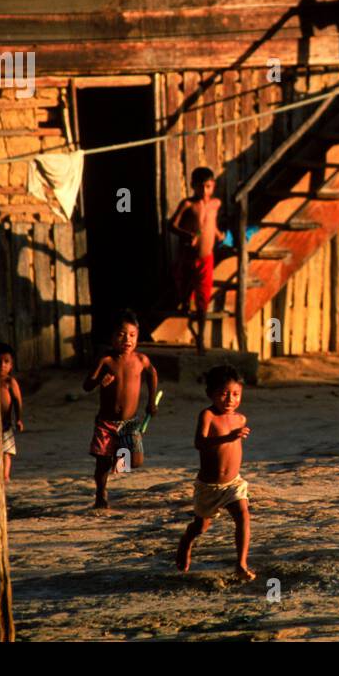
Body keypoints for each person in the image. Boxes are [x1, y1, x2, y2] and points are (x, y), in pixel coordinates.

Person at [176, 365, 255, 580]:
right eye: (223, 393)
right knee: (201, 526)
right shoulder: (208, 415)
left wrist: (232, 439)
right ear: (210, 393)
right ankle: (186, 541)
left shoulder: (240, 419)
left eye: (236, 394)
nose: (230, 399)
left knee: (243, 515)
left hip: (233, 484)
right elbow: (199, 443)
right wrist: (227, 438)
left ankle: (241, 564)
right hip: (209, 486)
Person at [84, 310, 159, 509]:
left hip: (129, 423)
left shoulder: (141, 360)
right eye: (121, 335)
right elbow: (87, 385)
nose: (127, 340)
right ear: (112, 337)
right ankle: (101, 493)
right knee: (102, 462)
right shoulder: (106, 360)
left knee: (134, 462)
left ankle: (118, 458)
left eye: (132, 335)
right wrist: (99, 381)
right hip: (106, 423)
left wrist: (151, 402)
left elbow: (152, 374)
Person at [170, 167, 225, 354]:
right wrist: (188, 235)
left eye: (208, 186)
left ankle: (200, 338)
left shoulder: (215, 204)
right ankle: (185, 302)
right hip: (188, 256)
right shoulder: (187, 204)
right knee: (184, 288)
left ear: (213, 186)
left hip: (206, 258)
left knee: (203, 299)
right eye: (200, 187)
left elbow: (211, 223)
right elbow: (171, 225)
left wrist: (218, 234)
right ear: (193, 186)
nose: (204, 191)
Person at [0, 342, 24, 484]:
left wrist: (19, 418)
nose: (2, 365)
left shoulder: (9, 382)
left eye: (6, 362)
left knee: (6, 451)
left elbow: (17, 401)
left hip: (5, 424)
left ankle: (5, 476)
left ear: (11, 365)